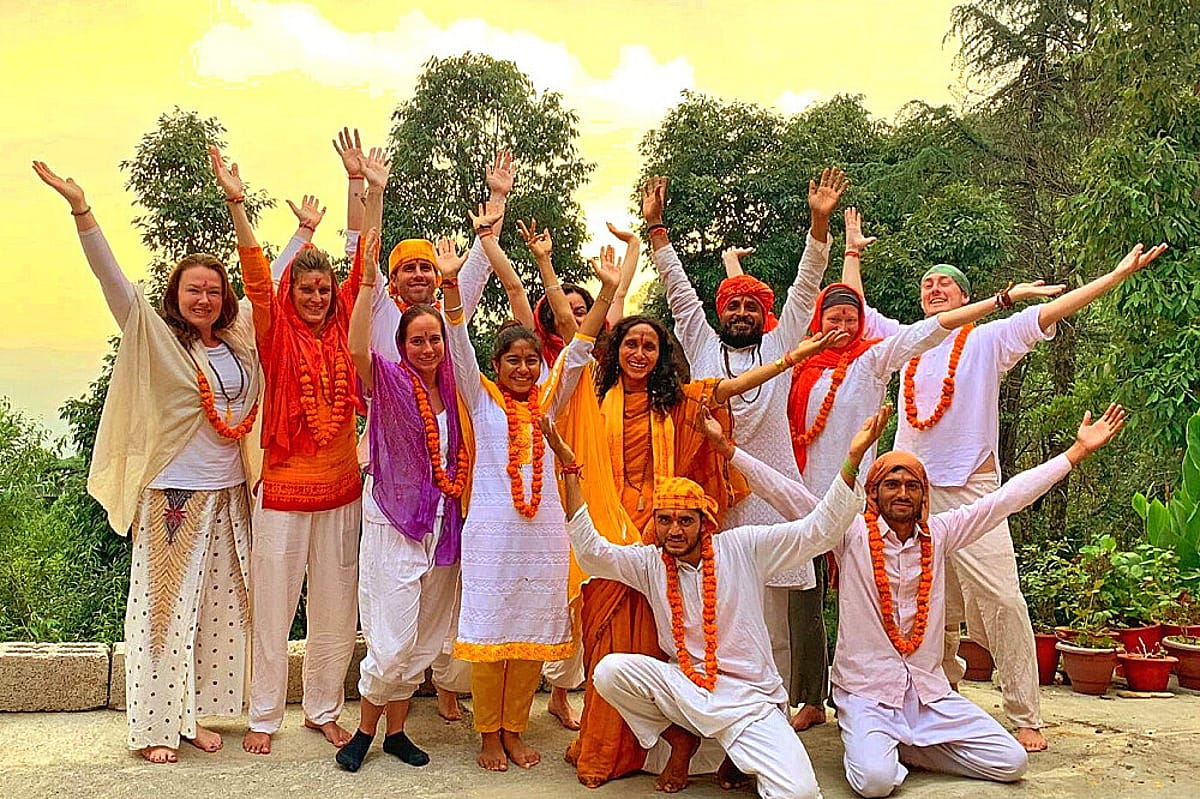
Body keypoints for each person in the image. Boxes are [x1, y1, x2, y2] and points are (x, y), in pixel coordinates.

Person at [841, 206, 1168, 751]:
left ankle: (1025, 711)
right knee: (925, 603)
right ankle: (929, 697)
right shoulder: (906, 342)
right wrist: (852, 250)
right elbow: (856, 310)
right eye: (927, 283)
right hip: (909, 495)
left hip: (972, 489)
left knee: (1004, 599)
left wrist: (1116, 275)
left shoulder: (989, 339)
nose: (934, 287)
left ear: (966, 297)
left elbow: (1054, 308)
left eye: (946, 281)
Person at [710, 400, 1126, 797]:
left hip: (930, 697)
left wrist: (1075, 452)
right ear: (873, 494)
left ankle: (906, 746)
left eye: (912, 485)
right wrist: (730, 451)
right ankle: (879, 743)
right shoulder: (850, 535)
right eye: (892, 484)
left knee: (1011, 761)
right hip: (868, 695)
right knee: (873, 783)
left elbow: (1007, 499)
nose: (903, 493)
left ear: (924, 495)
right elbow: (786, 494)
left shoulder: (941, 534)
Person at [34, 161, 259, 763]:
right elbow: (112, 281)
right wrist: (83, 211)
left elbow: (276, 280)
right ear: (175, 295)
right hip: (174, 495)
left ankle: (188, 720)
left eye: (214, 290)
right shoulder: (153, 334)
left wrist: (304, 233)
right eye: (194, 289)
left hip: (229, 492)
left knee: (215, 613)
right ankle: (154, 730)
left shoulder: (238, 343)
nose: (204, 298)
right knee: (162, 612)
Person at [546, 407, 890, 798]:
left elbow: (816, 532)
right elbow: (591, 553)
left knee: (800, 794)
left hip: (749, 700)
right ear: (655, 524)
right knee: (610, 671)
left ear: (704, 522)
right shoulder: (649, 563)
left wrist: (853, 459)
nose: (674, 531)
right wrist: (571, 470)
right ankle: (680, 740)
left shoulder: (743, 547)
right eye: (665, 520)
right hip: (689, 688)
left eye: (685, 521)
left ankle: (737, 755)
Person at [564, 317, 847, 787]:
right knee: (611, 655)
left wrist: (792, 358)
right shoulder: (592, 400)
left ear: (661, 355)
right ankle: (617, 747)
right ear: (615, 350)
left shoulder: (676, 401)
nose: (638, 353)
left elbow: (728, 388)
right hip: (616, 529)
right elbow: (590, 541)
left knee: (660, 640)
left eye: (649, 345)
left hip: (659, 520)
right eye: (630, 343)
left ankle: (727, 745)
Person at [640, 170, 848, 730]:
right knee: (723, 615)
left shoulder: (783, 346)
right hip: (720, 501)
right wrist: (657, 230)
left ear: (765, 314)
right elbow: (681, 292)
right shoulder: (703, 346)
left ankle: (770, 720)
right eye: (731, 306)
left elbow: (808, 285)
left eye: (749, 307)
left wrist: (819, 222)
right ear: (721, 312)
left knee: (776, 620)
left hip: (773, 494)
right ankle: (722, 716)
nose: (739, 314)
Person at [441, 216, 622, 771]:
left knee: (525, 641)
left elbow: (581, 346)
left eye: (528, 361)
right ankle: (487, 734)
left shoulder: (552, 400)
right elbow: (459, 349)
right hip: (493, 536)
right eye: (510, 362)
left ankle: (515, 728)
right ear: (497, 368)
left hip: (542, 534)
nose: (522, 368)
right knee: (493, 636)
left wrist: (610, 289)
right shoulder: (481, 399)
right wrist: (452, 289)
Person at [210, 147, 364, 755]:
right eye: (308, 288)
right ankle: (265, 714)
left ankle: (324, 707)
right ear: (292, 291)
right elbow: (253, 273)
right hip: (283, 486)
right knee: (273, 605)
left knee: (335, 604)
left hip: (342, 487)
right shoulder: (275, 332)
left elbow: (363, 258)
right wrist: (236, 204)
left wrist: (360, 186)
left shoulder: (345, 314)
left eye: (325, 289)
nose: (319, 297)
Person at [333, 228, 473, 772]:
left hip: (445, 526)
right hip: (396, 519)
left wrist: (457, 280)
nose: (427, 348)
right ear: (402, 345)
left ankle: (396, 732)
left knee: (423, 638)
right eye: (416, 340)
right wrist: (367, 281)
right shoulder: (387, 381)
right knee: (390, 640)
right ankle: (364, 732)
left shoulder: (458, 387)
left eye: (433, 340)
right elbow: (352, 347)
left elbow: (460, 336)